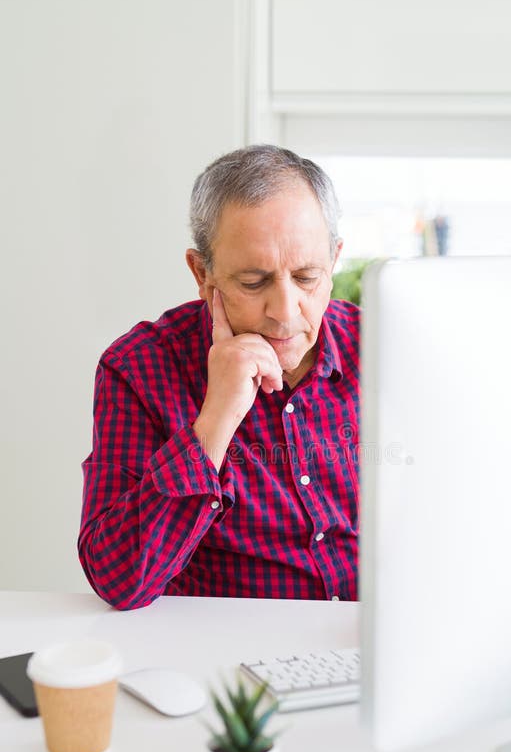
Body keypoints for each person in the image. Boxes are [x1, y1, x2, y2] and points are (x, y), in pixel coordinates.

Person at [77, 145, 359, 610]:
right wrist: (213, 425)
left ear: (334, 262)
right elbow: (118, 581)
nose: (285, 313)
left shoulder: (384, 347)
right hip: (225, 661)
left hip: (371, 646)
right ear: (202, 273)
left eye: (307, 277)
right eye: (254, 283)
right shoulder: (139, 367)